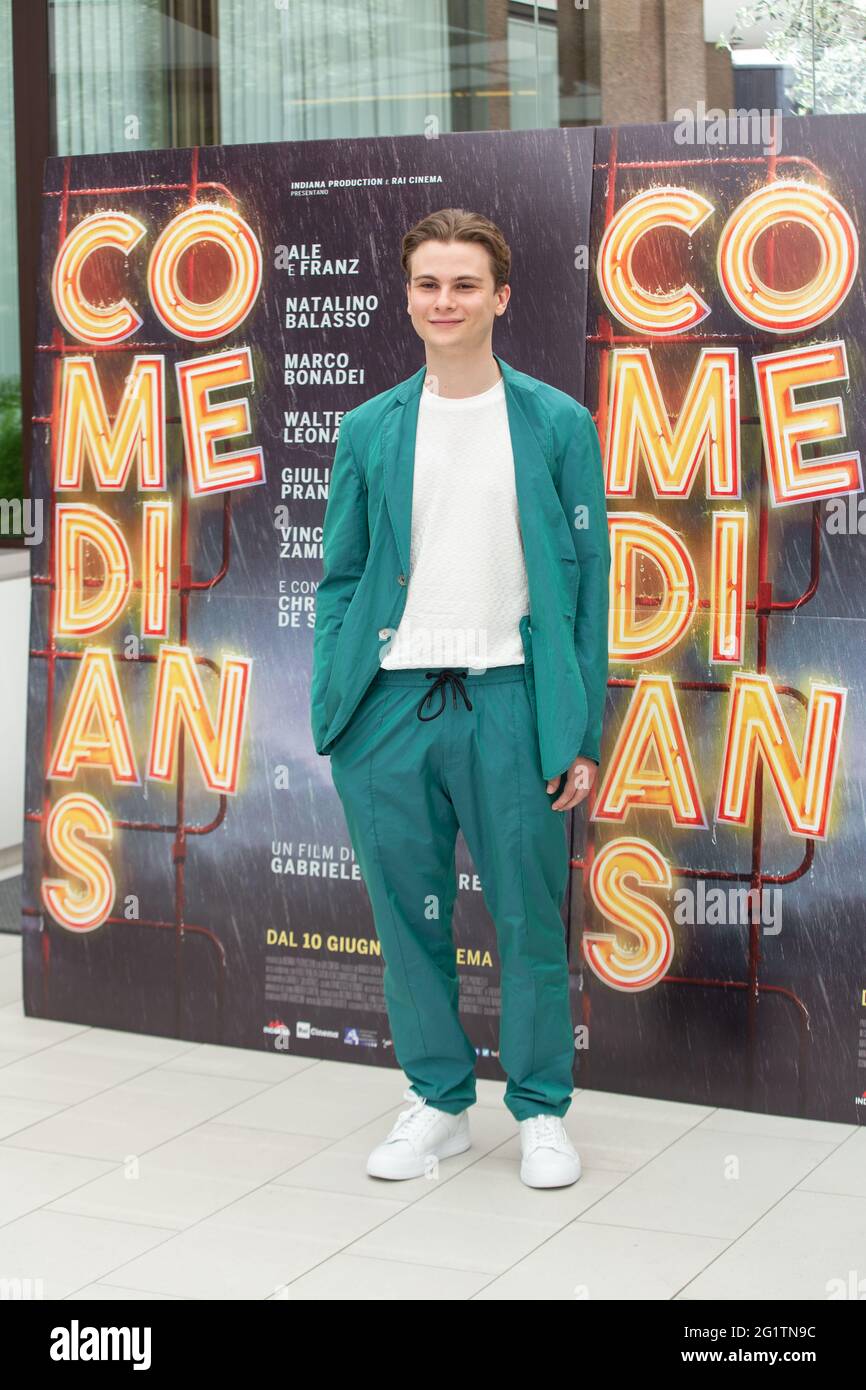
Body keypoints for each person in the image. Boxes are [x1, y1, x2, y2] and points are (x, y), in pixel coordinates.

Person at [310, 207, 610, 1188]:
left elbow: (586, 588)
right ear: (408, 296)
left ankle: (539, 1111)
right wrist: (335, 705)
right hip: (387, 714)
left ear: (500, 297)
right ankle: (437, 1101)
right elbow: (341, 577)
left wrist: (577, 729)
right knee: (406, 922)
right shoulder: (367, 428)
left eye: (463, 284)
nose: (444, 301)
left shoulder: (557, 424)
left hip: (512, 702)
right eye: (428, 284)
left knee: (526, 916)